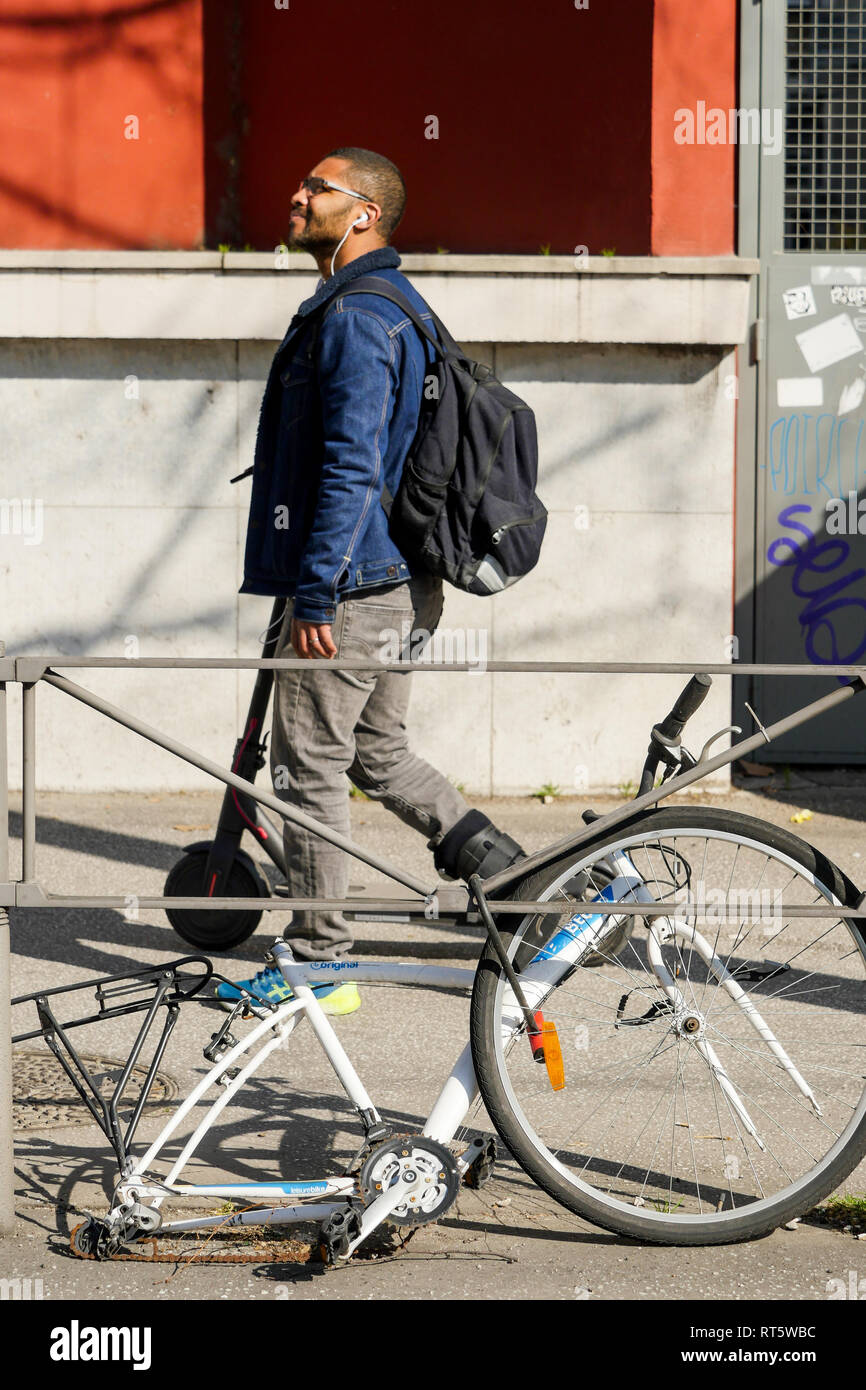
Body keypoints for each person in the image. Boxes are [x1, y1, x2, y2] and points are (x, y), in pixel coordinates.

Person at [218, 148, 525, 1014]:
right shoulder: (395, 305)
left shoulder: (357, 318)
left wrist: (316, 591)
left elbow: (351, 465)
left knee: (308, 762)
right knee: (375, 752)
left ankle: (321, 959)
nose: (296, 193)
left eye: (317, 187)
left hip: (354, 585)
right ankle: (509, 875)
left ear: (362, 214)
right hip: (403, 578)